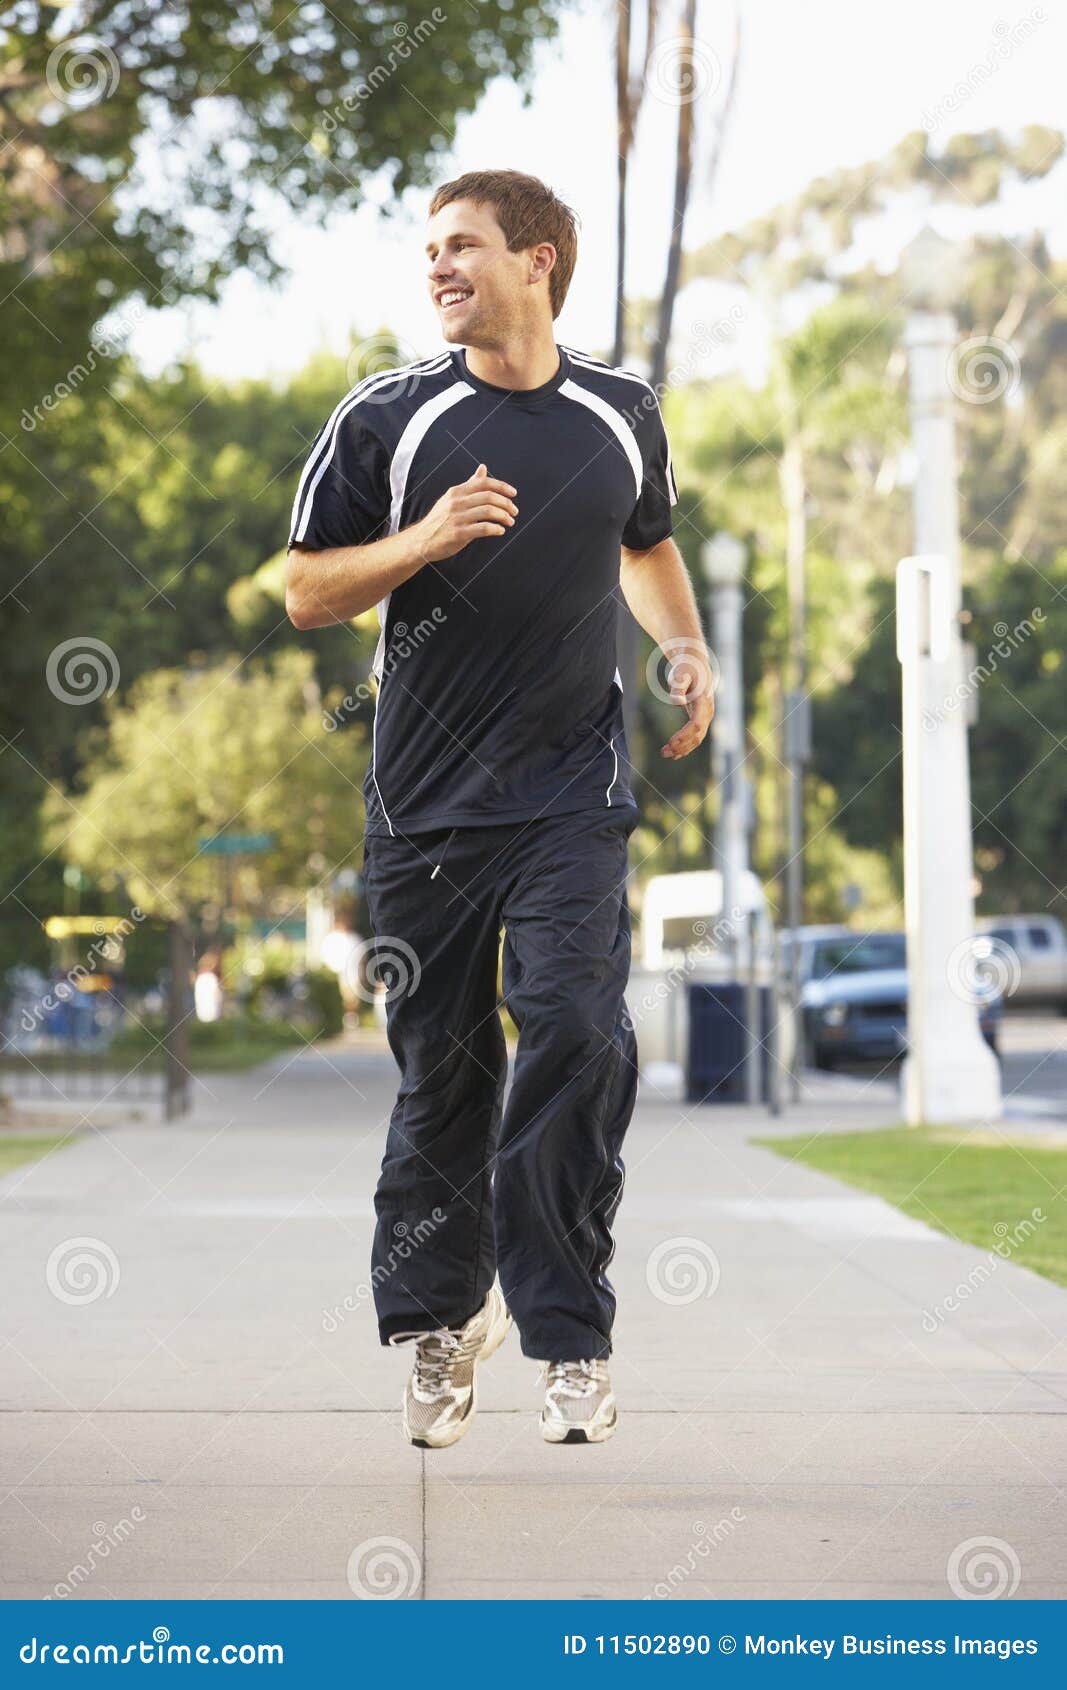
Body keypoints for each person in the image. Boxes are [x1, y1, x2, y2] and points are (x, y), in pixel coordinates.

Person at [286, 169, 713, 1449]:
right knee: (443, 1078)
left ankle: (568, 1335)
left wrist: (683, 644)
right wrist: (421, 540)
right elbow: (306, 590)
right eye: (428, 250)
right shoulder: (387, 417)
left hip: (569, 797)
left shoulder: (620, 412)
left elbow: (644, 541)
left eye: (461, 245)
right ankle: (438, 1322)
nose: (437, 267)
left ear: (537, 262)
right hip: (421, 810)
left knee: (576, 1028)